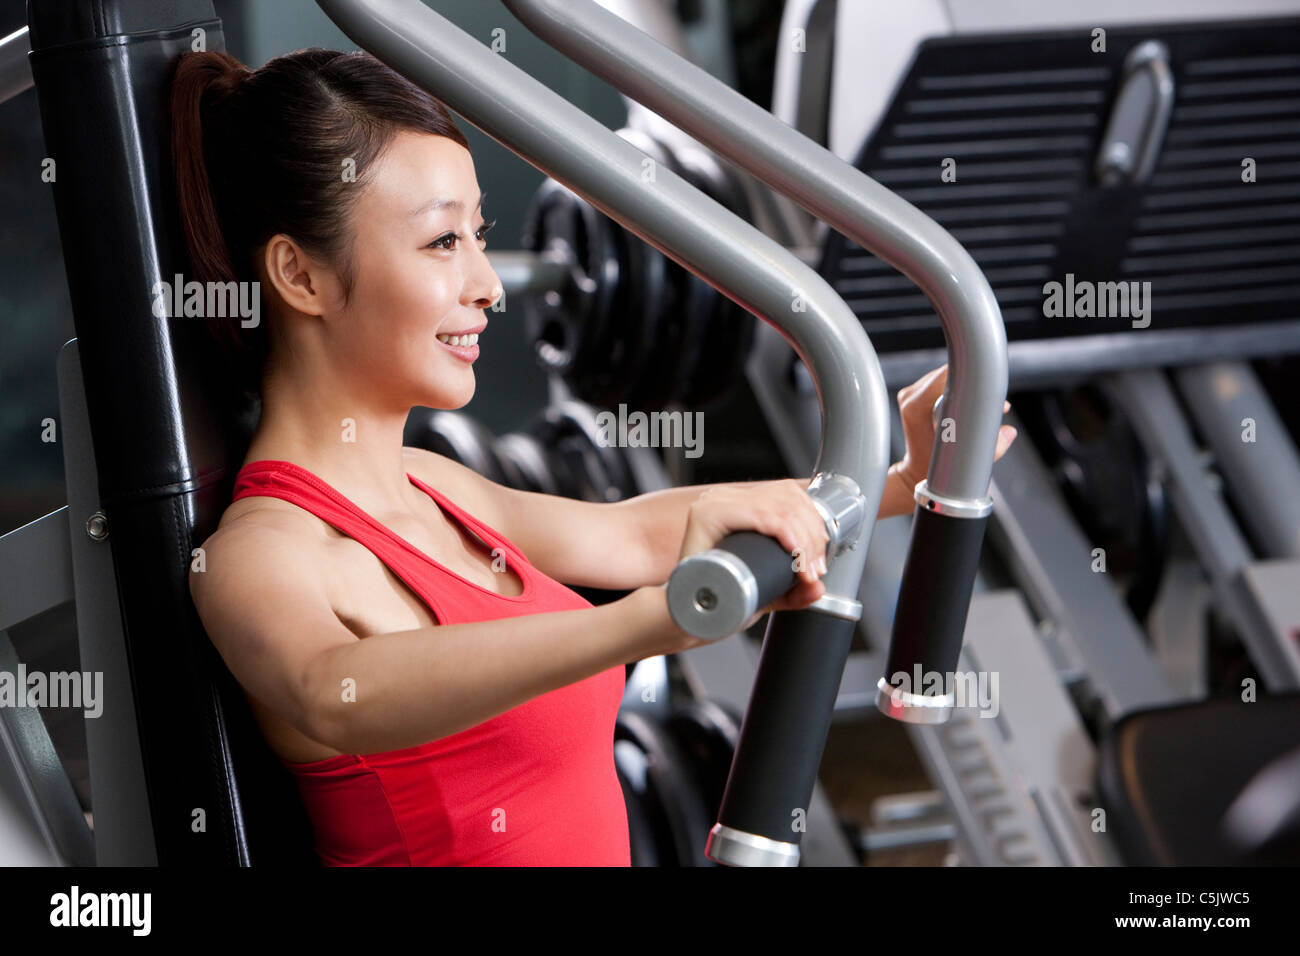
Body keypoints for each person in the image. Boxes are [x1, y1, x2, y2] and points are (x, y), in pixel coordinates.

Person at [173, 47, 1016, 867]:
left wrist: (893, 479)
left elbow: (631, 535)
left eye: (479, 235)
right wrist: (649, 621)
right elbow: (336, 690)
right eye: (441, 244)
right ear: (299, 276)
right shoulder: (260, 550)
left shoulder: (431, 486)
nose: (489, 285)